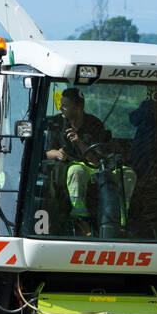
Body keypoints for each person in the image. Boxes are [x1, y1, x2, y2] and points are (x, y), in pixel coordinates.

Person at [44, 88, 111, 234]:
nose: (61, 108)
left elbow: (98, 158)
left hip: (91, 167)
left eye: (65, 105)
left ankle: (113, 222)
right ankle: (79, 219)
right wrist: (56, 154)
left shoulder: (95, 125)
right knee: (75, 171)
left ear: (79, 107)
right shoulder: (56, 123)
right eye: (61, 105)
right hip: (64, 169)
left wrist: (79, 141)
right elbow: (46, 152)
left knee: (79, 171)